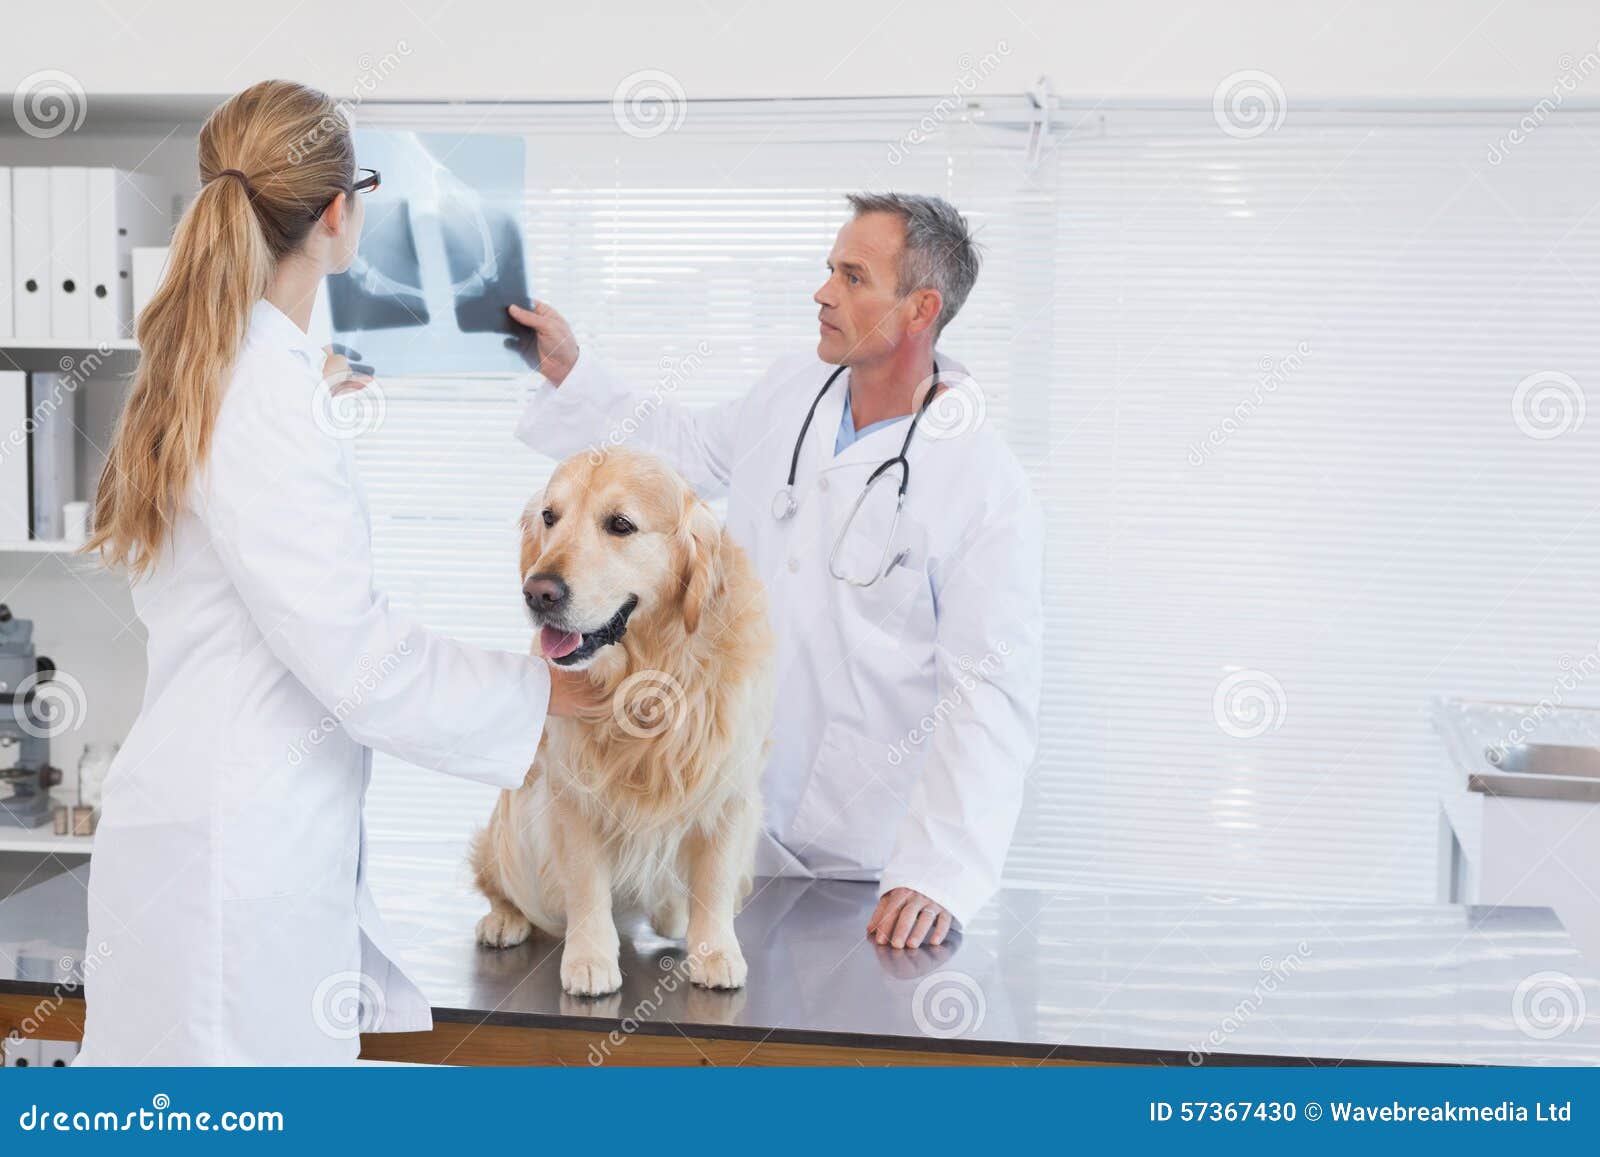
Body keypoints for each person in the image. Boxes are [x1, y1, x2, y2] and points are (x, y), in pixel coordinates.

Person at [74, 80, 596, 1065]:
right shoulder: (259, 394)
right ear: (336, 213)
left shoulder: (225, 370)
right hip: (237, 857)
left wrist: (300, 404)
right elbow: (355, 657)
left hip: (202, 829)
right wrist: (543, 692)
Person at [509, 192, 1043, 950]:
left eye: (853, 277)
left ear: (920, 309)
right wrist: (571, 370)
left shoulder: (984, 481)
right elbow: (680, 450)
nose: (823, 292)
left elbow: (989, 691)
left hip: (867, 864)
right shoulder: (792, 392)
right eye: (829, 269)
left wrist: (940, 869)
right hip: (728, 824)